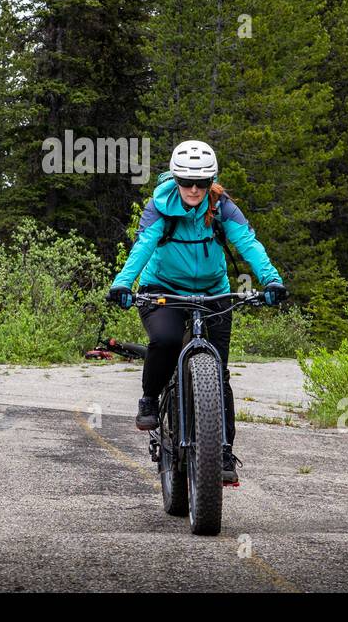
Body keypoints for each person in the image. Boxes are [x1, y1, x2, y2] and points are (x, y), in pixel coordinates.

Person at [106, 139, 286, 485]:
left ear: (210, 181)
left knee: (218, 372)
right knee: (166, 339)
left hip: (213, 292)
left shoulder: (222, 208)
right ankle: (148, 398)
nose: (193, 189)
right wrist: (123, 283)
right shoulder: (160, 206)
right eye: (186, 182)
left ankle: (221, 451)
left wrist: (272, 280)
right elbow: (143, 245)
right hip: (163, 290)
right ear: (175, 180)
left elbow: (248, 242)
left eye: (201, 182)